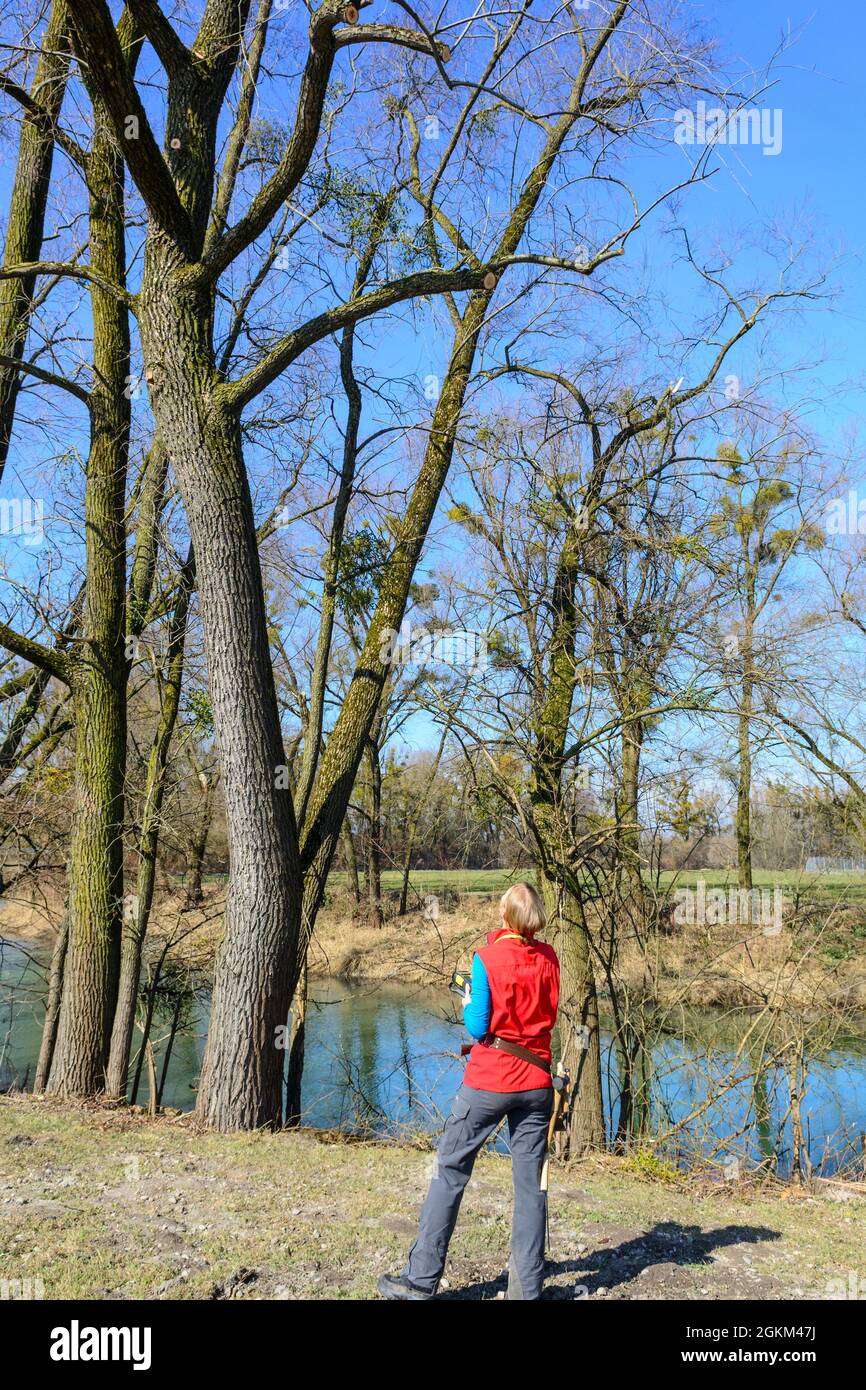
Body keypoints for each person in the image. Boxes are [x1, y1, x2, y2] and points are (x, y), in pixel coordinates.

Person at [378, 881, 560, 1301]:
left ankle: (421, 1280)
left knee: (450, 1171)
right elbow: (544, 1011)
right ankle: (526, 1292)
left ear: (504, 915)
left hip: (490, 1081)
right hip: (537, 1084)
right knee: (531, 1185)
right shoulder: (550, 957)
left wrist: (467, 998)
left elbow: (478, 1028)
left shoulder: (487, 958)